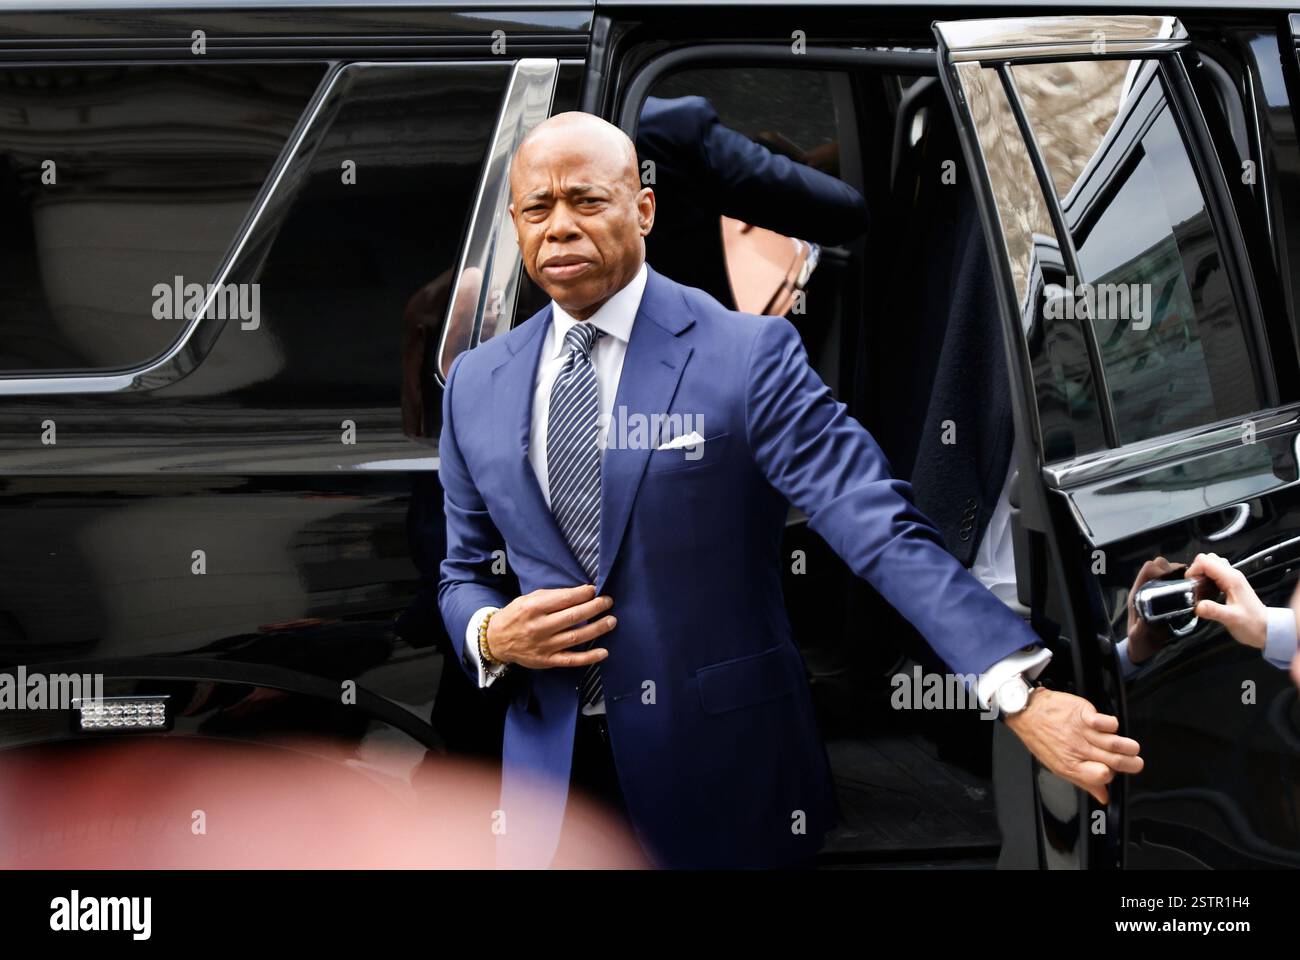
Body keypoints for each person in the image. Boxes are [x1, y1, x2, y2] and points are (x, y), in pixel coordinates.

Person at [436, 111, 1143, 869]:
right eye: (538, 209)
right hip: (551, 789)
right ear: (515, 223)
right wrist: (489, 636)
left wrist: (1015, 690)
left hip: (722, 776)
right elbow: (462, 572)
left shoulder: (746, 356)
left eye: (586, 201)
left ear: (643, 208)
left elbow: (872, 518)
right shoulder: (478, 381)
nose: (561, 227)